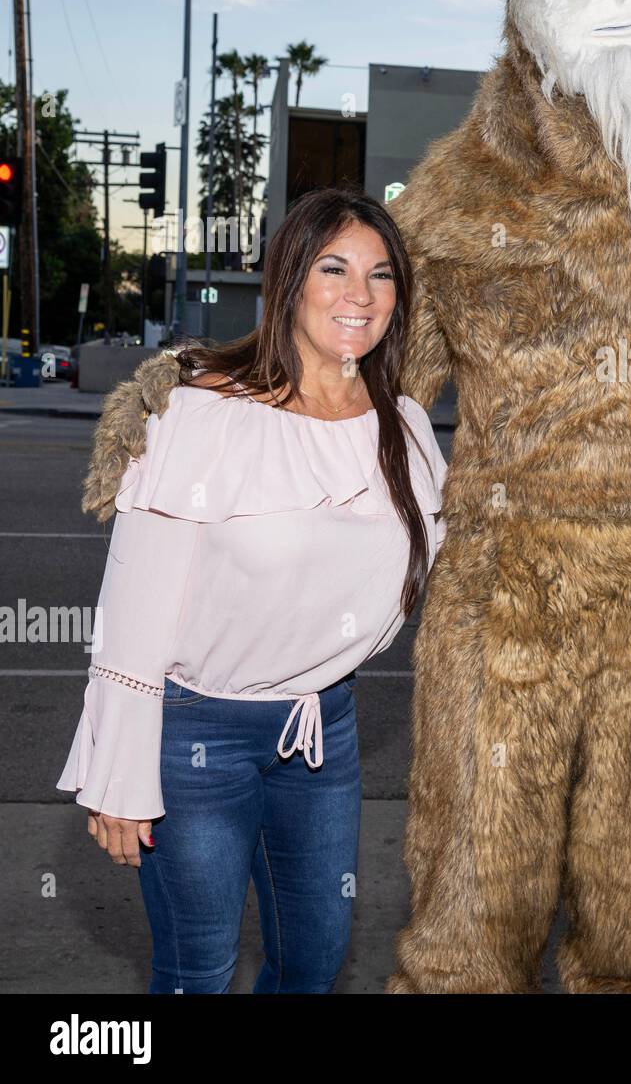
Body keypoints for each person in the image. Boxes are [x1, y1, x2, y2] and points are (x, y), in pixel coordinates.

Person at [58, 187, 448, 994]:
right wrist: (120, 773)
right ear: (288, 280)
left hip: (322, 729)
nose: (360, 295)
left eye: (381, 276)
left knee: (313, 959)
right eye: (334, 268)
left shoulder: (402, 424)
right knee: (196, 971)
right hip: (195, 734)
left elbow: (453, 563)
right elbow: (134, 606)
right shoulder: (202, 414)